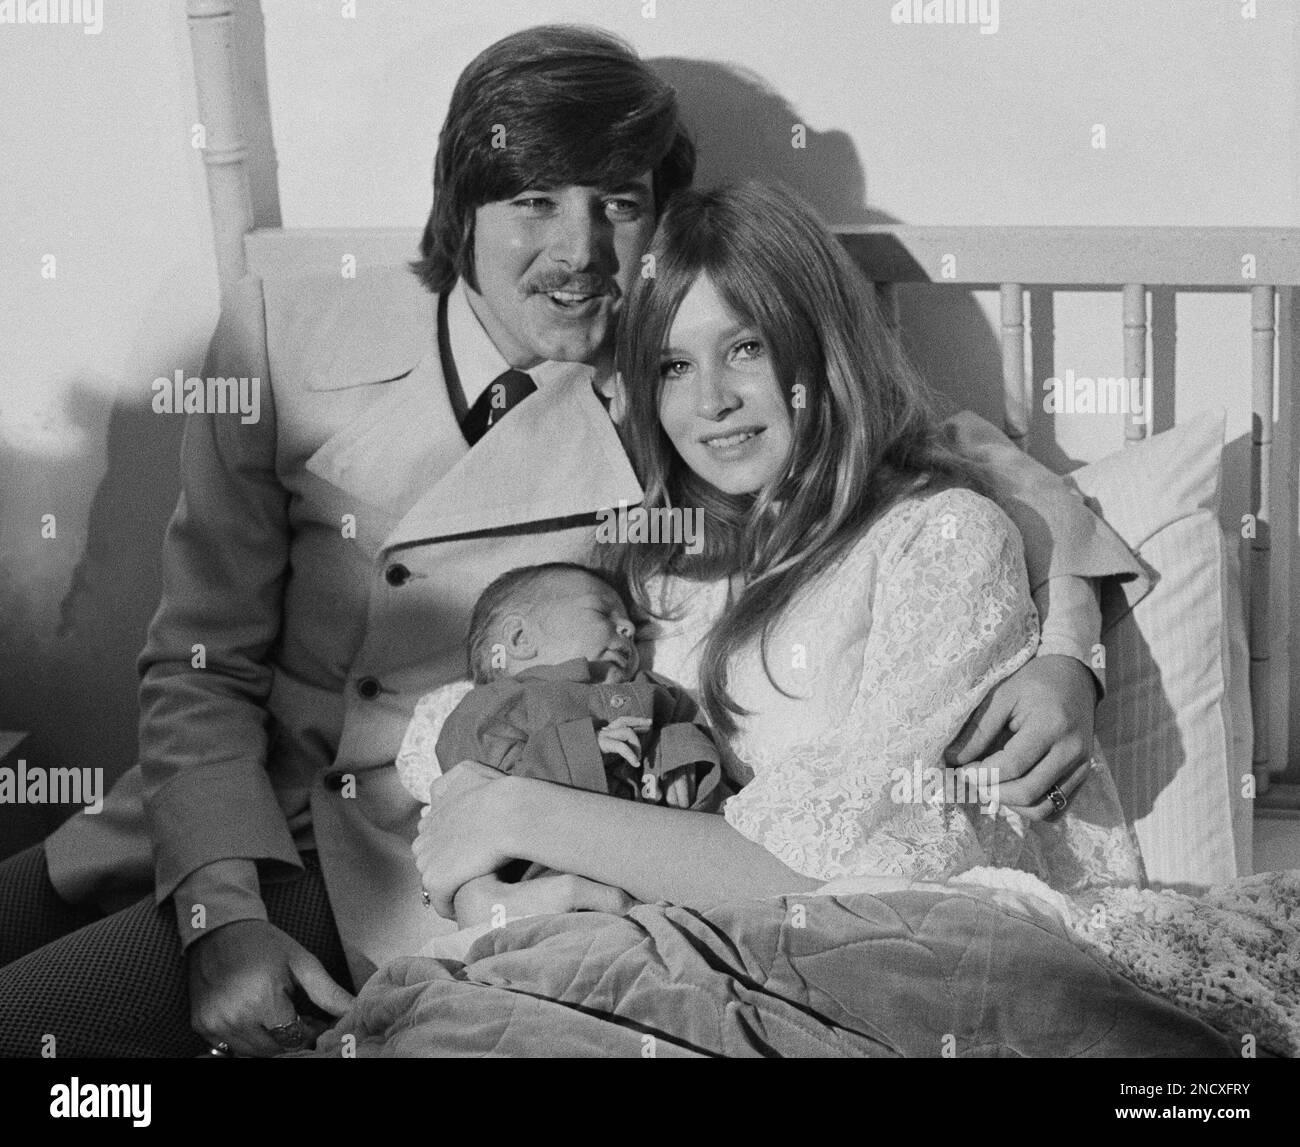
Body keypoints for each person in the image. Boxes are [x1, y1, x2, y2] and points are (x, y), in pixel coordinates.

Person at [0, 25, 1141, 1058]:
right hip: (209, 818)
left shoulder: (672, 379)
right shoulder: (280, 337)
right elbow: (202, 659)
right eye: (535, 201)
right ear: (462, 210)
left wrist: (1066, 647)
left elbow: (932, 446)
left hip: (400, 859)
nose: (579, 251)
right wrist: (216, 906)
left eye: (619, 204)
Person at [412, 181, 1144, 919]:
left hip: (876, 954)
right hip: (665, 945)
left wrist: (516, 814)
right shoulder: (656, 562)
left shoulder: (936, 542)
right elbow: (496, 726)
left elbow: (820, 877)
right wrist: (484, 888)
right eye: (674, 366)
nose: (711, 402)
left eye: (746, 348)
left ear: (822, 350)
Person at [426, 560, 723, 813]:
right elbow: (482, 800)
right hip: (547, 864)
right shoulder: (493, 707)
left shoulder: (648, 688)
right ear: (520, 639)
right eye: (603, 613)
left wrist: (676, 754)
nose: (629, 629)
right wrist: (581, 751)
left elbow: (693, 723)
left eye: (631, 625)